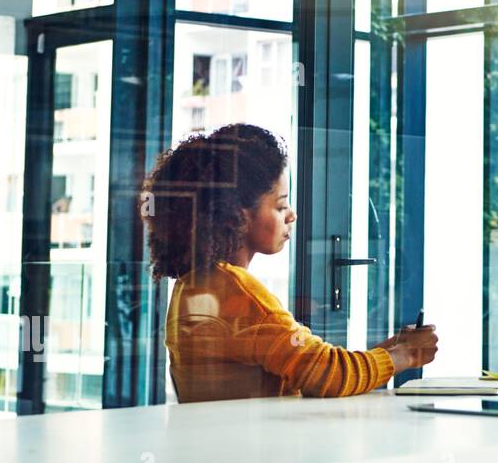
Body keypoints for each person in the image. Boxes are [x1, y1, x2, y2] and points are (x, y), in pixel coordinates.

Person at [142, 123, 437, 402]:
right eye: (281, 205)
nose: (291, 215)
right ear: (237, 214)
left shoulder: (195, 283)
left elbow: (317, 365)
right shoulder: (236, 291)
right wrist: (406, 355)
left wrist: (393, 349)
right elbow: (328, 374)